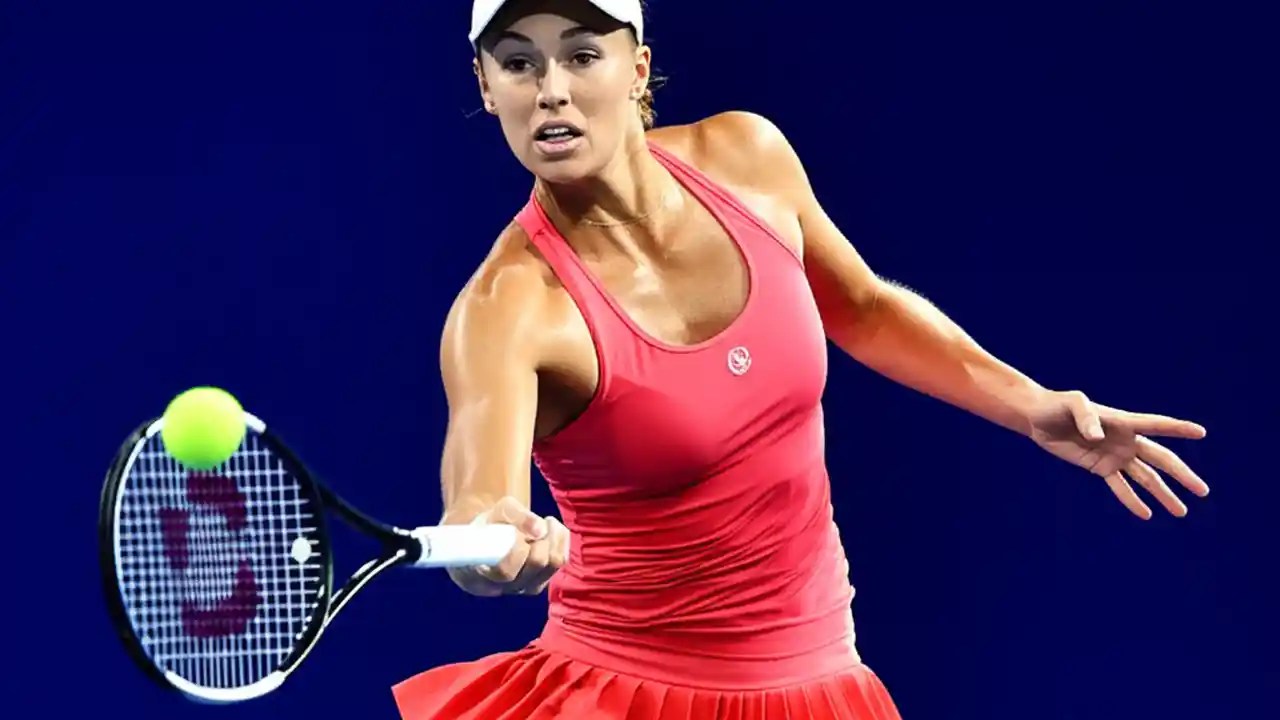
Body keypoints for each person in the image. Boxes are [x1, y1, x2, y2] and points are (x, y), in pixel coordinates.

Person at [391, 0, 1212, 717]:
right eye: (519, 63)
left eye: (581, 54)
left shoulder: (747, 158)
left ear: (637, 68)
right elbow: (479, 508)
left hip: (822, 682)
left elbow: (862, 308)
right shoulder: (507, 310)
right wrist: (499, 547)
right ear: (486, 86)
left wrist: (1028, 406)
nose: (552, 90)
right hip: (625, 694)